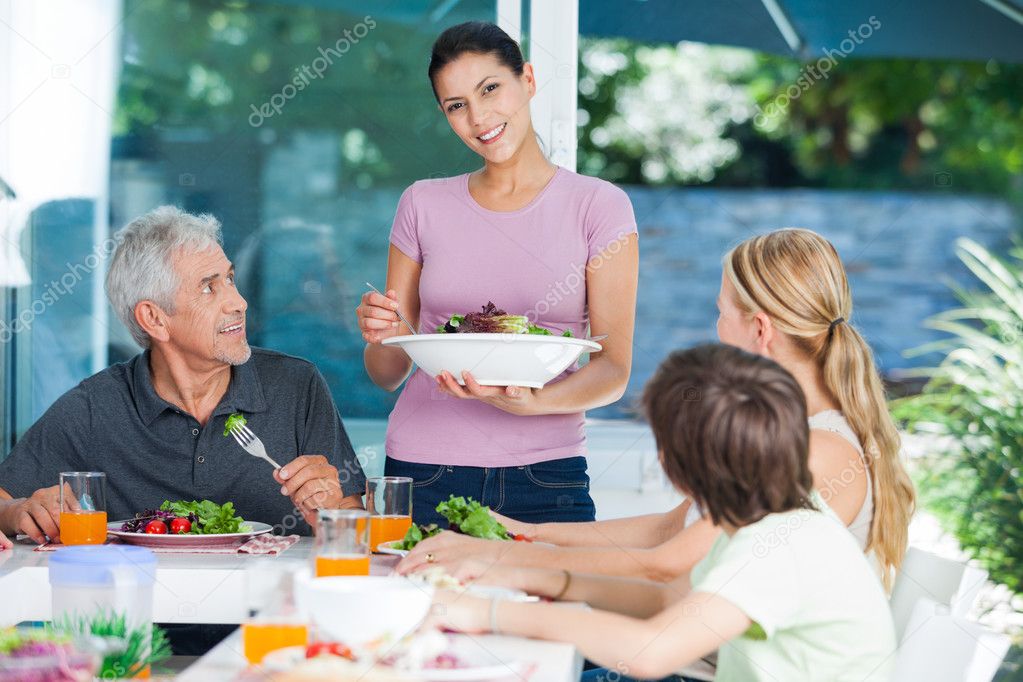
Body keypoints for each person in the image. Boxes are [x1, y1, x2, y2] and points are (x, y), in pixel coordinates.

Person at [399, 228, 915, 591]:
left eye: (721, 314)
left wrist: (501, 556)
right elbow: (672, 528)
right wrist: (528, 531)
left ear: (760, 330)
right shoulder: (792, 433)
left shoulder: (818, 453)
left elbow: (666, 566)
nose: (716, 330)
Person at [428, 344, 897, 682]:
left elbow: (649, 653)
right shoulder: (771, 517)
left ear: (673, 465)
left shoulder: (781, 543)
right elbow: (667, 602)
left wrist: (488, 613)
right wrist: (531, 578)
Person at [357, 21, 638, 526]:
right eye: (456, 105)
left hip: (547, 473)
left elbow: (613, 370)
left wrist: (533, 404)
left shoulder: (599, 206)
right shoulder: (422, 203)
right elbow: (388, 373)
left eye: (490, 89)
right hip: (424, 469)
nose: (478, 117)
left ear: (527, 80)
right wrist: (381, 334)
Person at [0, 205, 366, 540]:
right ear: (154, 318)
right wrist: (18, 510)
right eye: (208, 287)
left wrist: (332, 512)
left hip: (272, 594)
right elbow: (4, 501)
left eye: (230, 279)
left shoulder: (297, 386)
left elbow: (356, 528)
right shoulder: (95, 406)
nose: (239, 302)